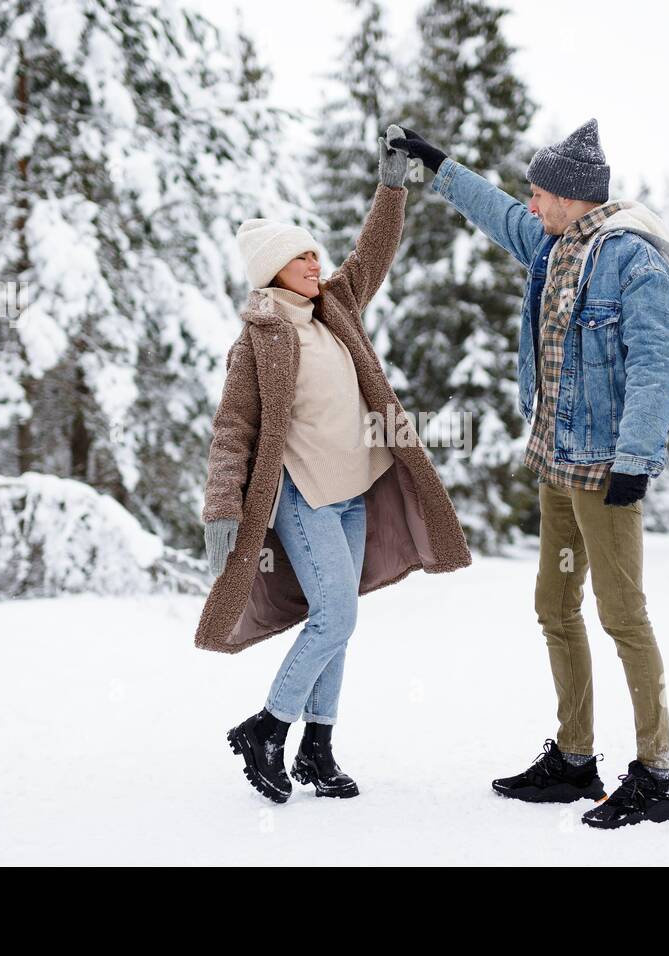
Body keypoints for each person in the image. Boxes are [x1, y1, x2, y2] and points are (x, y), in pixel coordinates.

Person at [387, 118, 669, 830]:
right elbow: (494, 211)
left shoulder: (634, 263)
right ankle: (575, 759)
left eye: (539, 193)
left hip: (605, 472)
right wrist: (438, 166)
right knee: (555, 608)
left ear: (573, 197)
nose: (529, 204)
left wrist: (635, 460)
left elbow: (656, 364)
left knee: (623, 616)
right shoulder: (553, 246)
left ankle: (657, 774)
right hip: (556, 462)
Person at [197, 128, 472, 804]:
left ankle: (316, 749)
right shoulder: (259, 339)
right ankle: (267, 727)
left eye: (316, 256)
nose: (316, 266)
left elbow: (371, 255)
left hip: (355, 490)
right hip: (303, 495)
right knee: (336, 618)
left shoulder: (334, 308)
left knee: (338, 615)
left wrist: (391, 186)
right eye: (302, 260)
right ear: (273, 271)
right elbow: (233, 430)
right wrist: (222, 508)